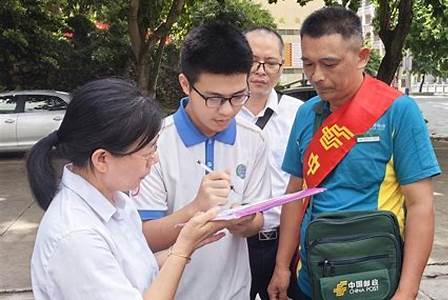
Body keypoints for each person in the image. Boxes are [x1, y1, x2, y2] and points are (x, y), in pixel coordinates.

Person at [267, 7, 441, 300]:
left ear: (362, 57)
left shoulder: (397, 112)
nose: (316, 76)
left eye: (329, 64)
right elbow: (295, 195)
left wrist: (407, 290)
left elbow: (420, 206)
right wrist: (282, 266)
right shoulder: (306, 114)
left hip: (374, 278)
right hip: (313, 276)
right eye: (308, 64)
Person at [27, 78, 228, 300]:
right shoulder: (76, 236)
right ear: (102, 159)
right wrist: (181, 251)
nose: (155, 159)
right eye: (147, 153)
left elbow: (138, 272)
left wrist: (184, 247)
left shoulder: (116, 202)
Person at [133, 22, 271, 300]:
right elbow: (143, 237)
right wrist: (195, 208)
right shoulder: (154, 142)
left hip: (235, 292)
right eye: (214, 98)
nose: (227, 110)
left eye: (238, 96)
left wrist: (245, 222)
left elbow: (259, 220)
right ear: (186, 84)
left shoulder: (253, 139)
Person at [239, 26, 303, 300]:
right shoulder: (220, 116)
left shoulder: (298, 114)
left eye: (270, 62)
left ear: (281, 66)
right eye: (252, 60)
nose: (260, 70)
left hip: (284, 243)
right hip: (232, 243)